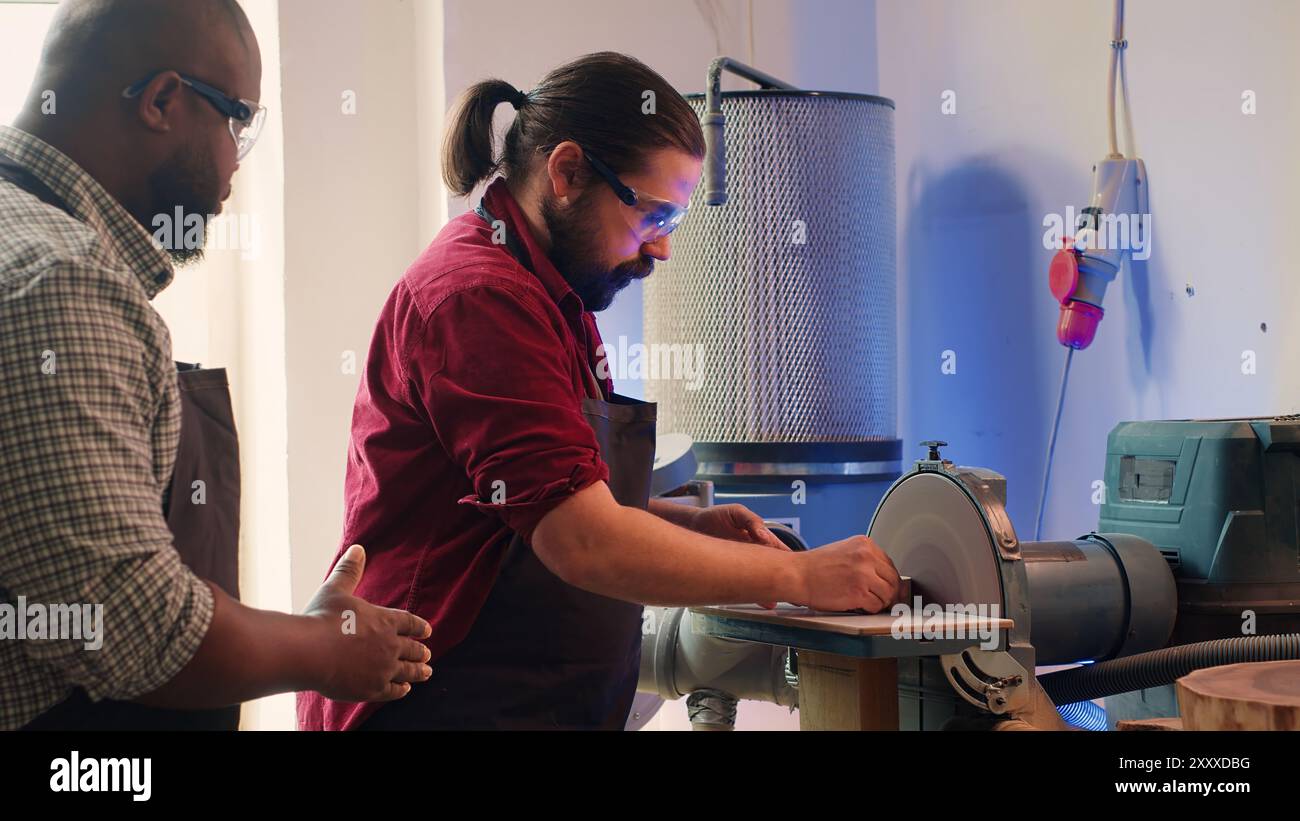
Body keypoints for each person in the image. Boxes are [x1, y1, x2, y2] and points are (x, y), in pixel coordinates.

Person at [297, 52, 901, 731]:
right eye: (657, 217)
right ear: (568, 171)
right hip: (438, 700)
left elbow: (547, 495)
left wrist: (689, 523)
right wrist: (800, 578)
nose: (663, 249)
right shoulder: (480, 299)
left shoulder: (556, 292)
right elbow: (582, 540)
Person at [0, 0, 430, 731]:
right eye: (237, 121)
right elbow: (127, 621)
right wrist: (321, 651)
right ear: (163, 100)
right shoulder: (61, 278)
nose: (235, 158)